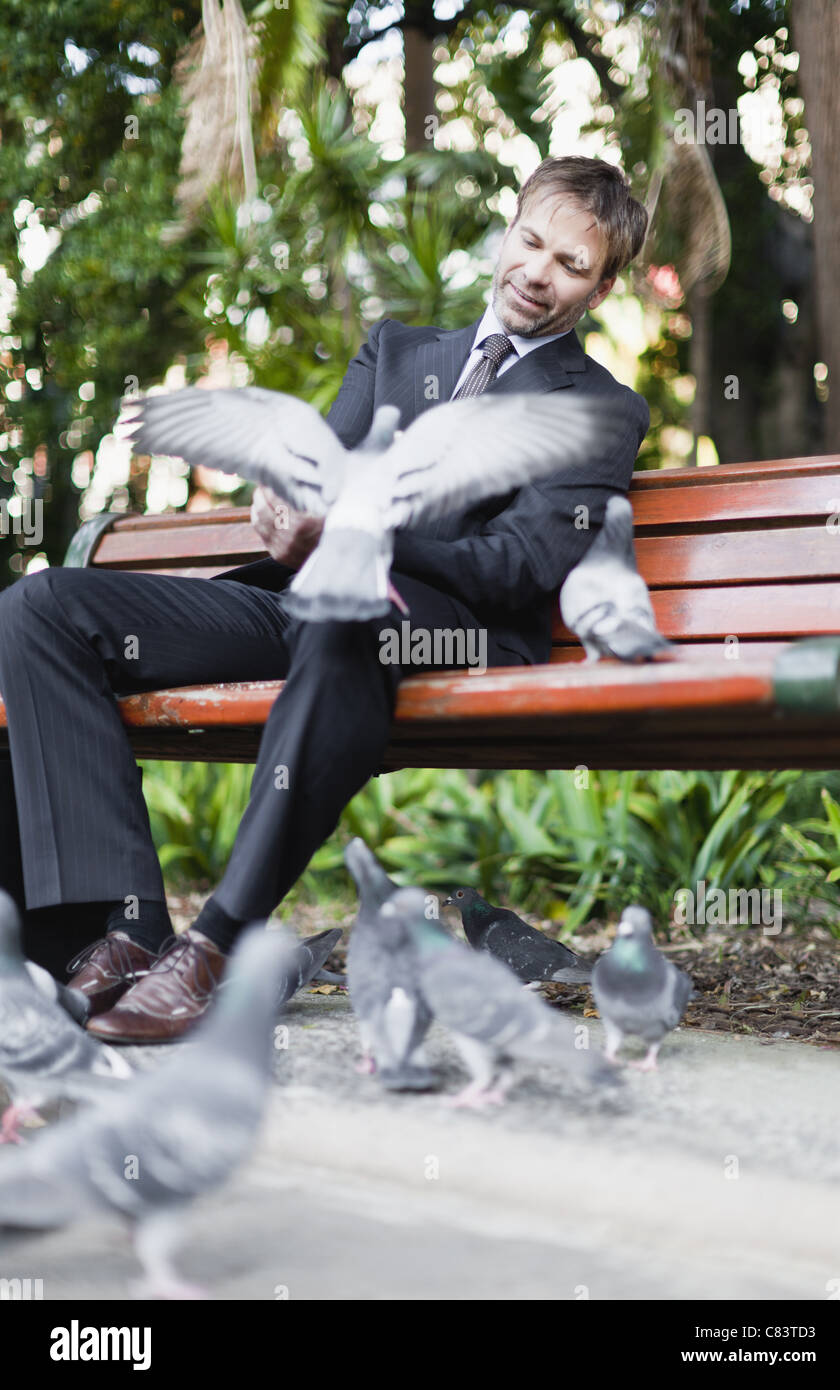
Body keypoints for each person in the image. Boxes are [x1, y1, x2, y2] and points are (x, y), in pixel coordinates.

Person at [0, 155, 650, 1043]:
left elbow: (521, 565)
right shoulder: (397, 349)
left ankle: (215, 948)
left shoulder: (601, 409)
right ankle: (117, 929)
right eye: (531, 241)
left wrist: (367, 539)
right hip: (304, 601)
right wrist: (285, 506)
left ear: (604, 285)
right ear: (509, 231)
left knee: (352, 609)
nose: (537, 272)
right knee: (40, 610)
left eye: (571, 264)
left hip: (448, 633)